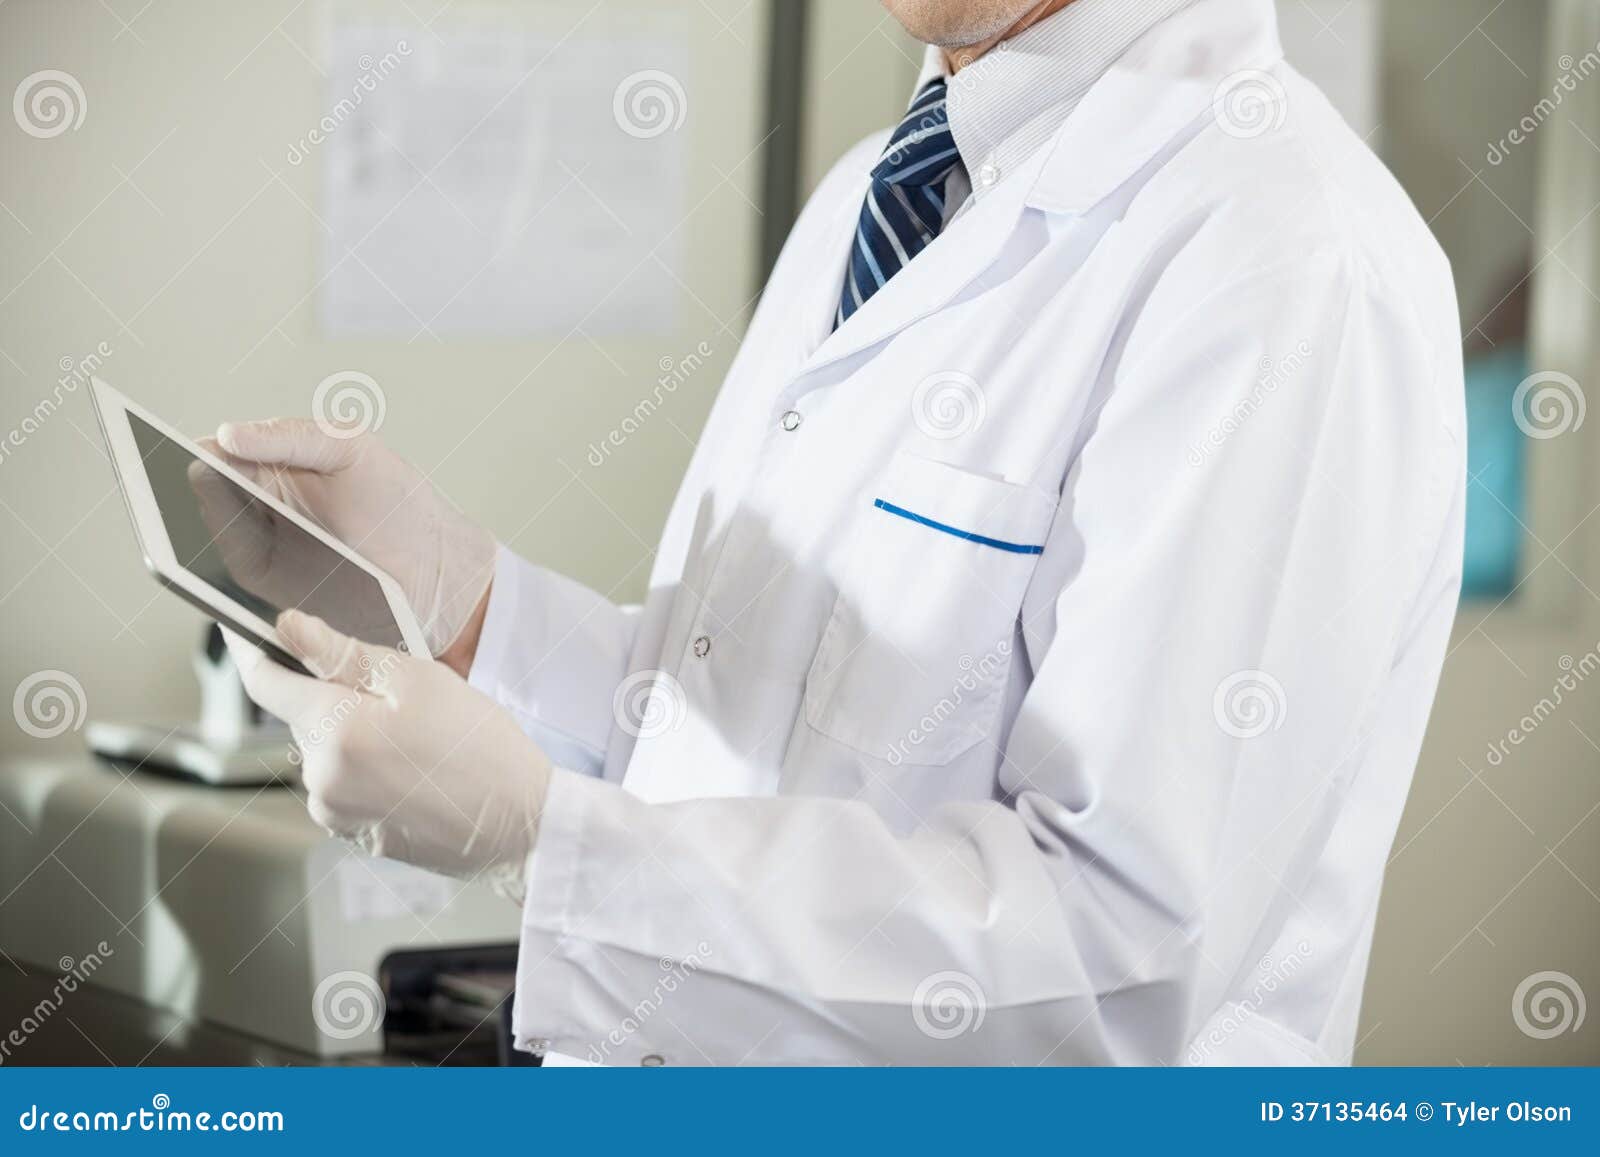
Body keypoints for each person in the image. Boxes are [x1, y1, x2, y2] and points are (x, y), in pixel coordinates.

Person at [213, 0, 1465, 1065]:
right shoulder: (879, 190)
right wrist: (458, 597)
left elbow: (1110, 971)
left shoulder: (1284, 256)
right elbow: (749, 725)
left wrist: (551, 838)